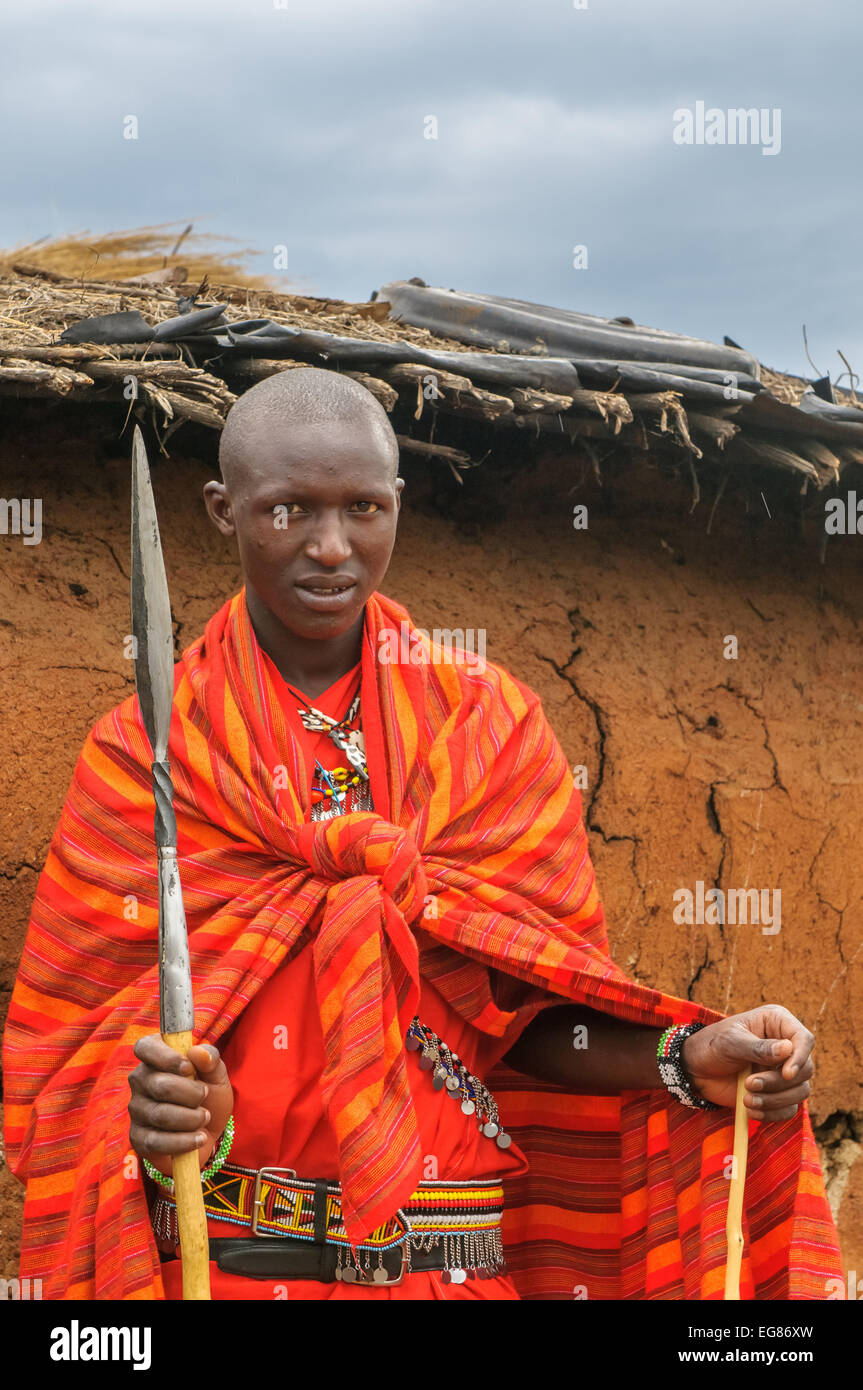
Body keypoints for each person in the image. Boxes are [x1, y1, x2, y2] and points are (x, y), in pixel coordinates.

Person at [3, 369, 842, 1300]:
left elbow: (522, 1014)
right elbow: (65, 1060)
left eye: (362, 508)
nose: (330, 548)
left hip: (450, 1276)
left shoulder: (486, 730)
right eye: (288, 510)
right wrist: (163, 1115)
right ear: (222, 510)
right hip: (225, 1266)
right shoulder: (153, 752)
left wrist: (685, 1057)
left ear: (397, 504)